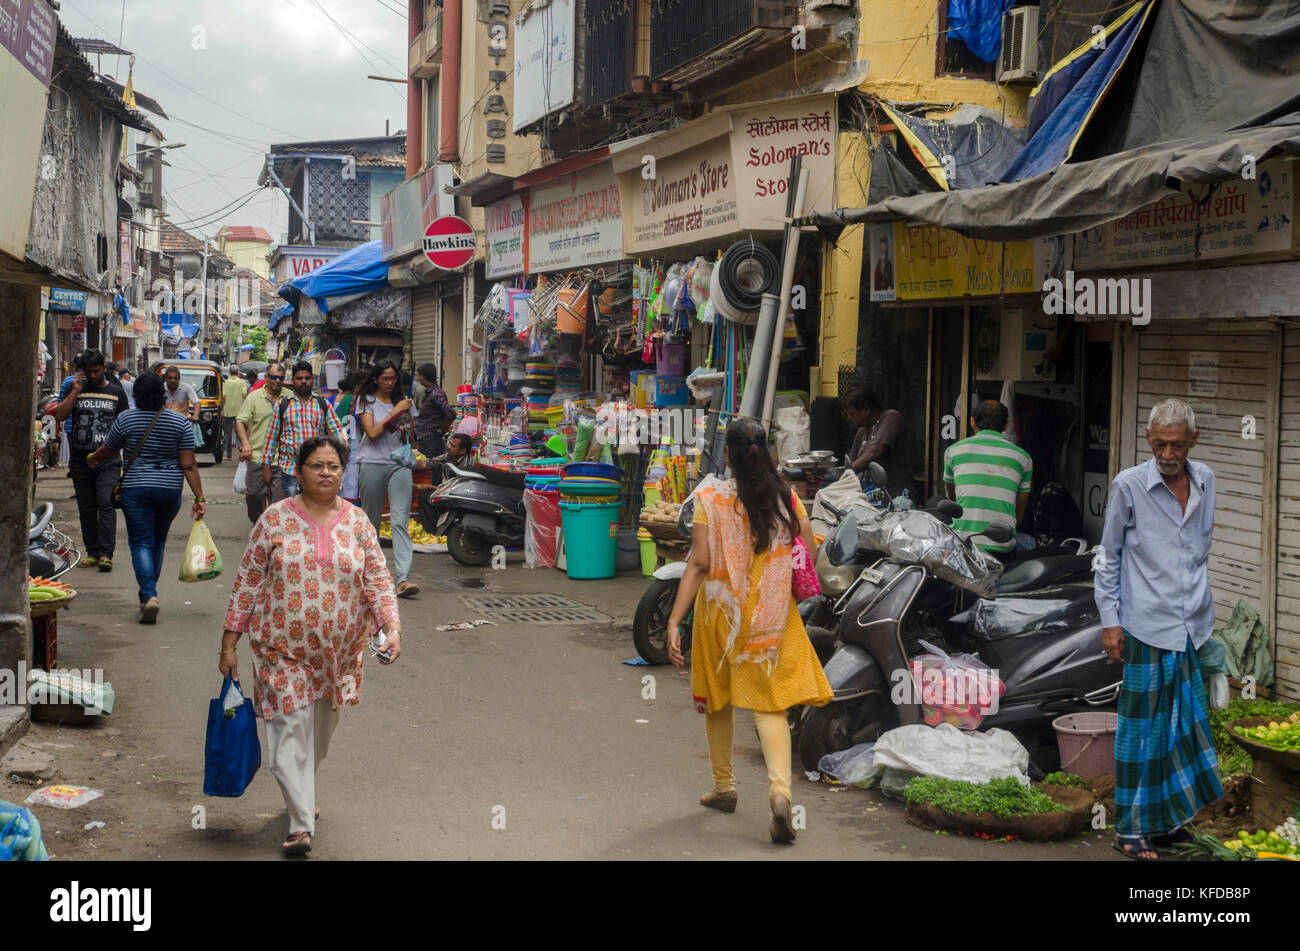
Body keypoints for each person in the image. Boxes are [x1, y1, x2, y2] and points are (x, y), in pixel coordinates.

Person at [220, 435, 402, 855]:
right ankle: (301, 824)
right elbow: (246, 582)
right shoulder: (274, 520)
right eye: (316, 465)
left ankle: (304, 793)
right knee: (288, 735)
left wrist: (391, 628)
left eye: (333, 466)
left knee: (317, 739)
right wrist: (228, 644)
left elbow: (376, 579)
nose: (325, 473)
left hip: (337, 656)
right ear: (298, 472)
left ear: (344, 472)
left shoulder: (358, 523)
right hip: (280, 649)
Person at [665, 419, 832, 844]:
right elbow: (807, 550)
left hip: (721, 615)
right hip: (772, 616)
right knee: (770, 706)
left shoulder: (708, 498)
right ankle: (780, 793)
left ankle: (724, 789)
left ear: (728, 456)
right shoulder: (787, 498)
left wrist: (672, 620)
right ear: (765, 452)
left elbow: (699, 563)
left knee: (718, 700)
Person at [1094, 398, 1222, 861]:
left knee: (1180, 732)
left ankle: (1168, 823)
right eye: (1161, 444)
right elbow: (1107, 559)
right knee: (1141, 734)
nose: (1168, 454)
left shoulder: (1206, 480)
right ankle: (1129, 830)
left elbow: (1197, 552)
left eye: (1178, 445)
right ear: (1149, 440)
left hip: (1192, 626)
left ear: (1194, 441)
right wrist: (1111, 623)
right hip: (1146, 626)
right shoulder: (1129, 486)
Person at [88, 371, 206, 623]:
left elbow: (107, 450)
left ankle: (149, 595)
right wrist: (199, 498)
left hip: (136, 490)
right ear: (162, 393)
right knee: (158, 542)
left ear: (137, 395)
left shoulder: (126, 419)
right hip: (169, 491)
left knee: (141, 542)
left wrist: (92, 459)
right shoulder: (180, 423)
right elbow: (189, 465)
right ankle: (148, 594)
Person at [52, 350, 130, 570]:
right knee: (86, 508)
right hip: (80, 460)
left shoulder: (117, 392)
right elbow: (59, 415)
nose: (93, 376)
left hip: (109, 460)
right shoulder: (75, 389)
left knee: (106, 504)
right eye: (88, 372)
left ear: (104, 369)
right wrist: (75, 391)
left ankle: (106, 554)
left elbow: (125, 424)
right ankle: (92, 552)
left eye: (96, 371)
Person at [355, 361, 419, 599]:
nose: (390, 383)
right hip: (372, 463)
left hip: (399, 464)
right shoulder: (366, 402)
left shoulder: (404, 402)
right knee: (370, 524)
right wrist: (396, 412)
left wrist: (405, 424)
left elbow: (411, 434)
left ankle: (402, 578)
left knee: (400, 520)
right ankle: (370, 574)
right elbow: (371, 433)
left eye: (394, 379)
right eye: (386, 379)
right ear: (376, 379)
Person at [942, 399, 1033, 557]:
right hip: (1002, 545)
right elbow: (1019, 511)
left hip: (963, 543)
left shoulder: (953, 452)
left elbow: (953, 499)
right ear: (1006, 425)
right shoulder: (1023, 458)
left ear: (972, 422)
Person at [259, 361, 345, 502]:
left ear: (312, 379)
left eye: (307, 378)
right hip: (290, 470)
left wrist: (339, 458)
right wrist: (266, 466)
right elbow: (271, 438)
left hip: (317, 470)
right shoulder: (283, 405)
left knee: (315, 508)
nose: (303, 382)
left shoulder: (323, 404)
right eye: (299, 379)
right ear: (293, 381)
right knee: (292, 512)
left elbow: (338, 432)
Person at [235, 363, 285, 523]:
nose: (277, 381)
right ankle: (259, 527)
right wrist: (245, 443)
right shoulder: (254, 397)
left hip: (282, 459)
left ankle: (275, 534)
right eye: (274, 377)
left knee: (280, 504)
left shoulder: (290, 398)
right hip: (257, 456)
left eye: (281, 378)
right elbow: (240, 421)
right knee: (254, 497)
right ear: (266, 378)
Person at [844, 389, 903, 480]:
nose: (850, 417)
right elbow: (851, 461)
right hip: (863, 489)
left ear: (866, 410)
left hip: (890, 491)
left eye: (852, 414)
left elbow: (875, 451)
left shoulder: (891, 417)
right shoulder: (862, 431)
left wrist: (846, 473)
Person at [413, 363, 456, 460]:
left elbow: (451, 413)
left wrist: (443, 428)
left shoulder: (435, 394)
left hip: (431, 439)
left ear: (422, 377)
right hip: (426, 438)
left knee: (431, 469)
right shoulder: (430, 392)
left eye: (419, 375)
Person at [162, 365, 201, 447]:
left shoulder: (187, 388)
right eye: (170, 378)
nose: (172, 381)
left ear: (179, 378)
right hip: (165, 425)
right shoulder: (160, 389)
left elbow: (196, 403)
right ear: (165, 378)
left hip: (182, 425)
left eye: (175, 378)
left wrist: (196, 415)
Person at [221, 369, 247, 458]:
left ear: (229, 372)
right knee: (240, 432)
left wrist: (223, 408)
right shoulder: (242, 382)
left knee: (227, 433)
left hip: (227, 410)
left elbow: (223, 397)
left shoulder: (226, 383)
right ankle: (242, 451)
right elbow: (244, 395)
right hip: (239, 411)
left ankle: (228, 455)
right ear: (238, 372)